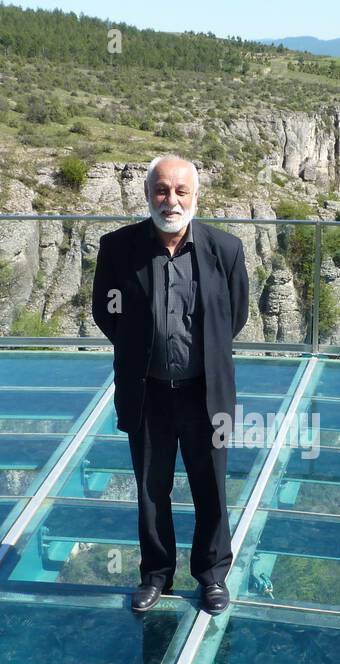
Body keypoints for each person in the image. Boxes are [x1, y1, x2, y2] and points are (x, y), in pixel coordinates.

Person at [91, 155, 249, 615]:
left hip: (206, 393)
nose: (171, 200)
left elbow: (232, 317)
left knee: (211, 487)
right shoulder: (119, 249)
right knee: (151, 489)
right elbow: (108, 313)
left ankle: (212, 576)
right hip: (148, 393)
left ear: (195, 196)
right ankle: (156, 575)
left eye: (181, 191)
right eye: (162, 190)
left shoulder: (226, 249)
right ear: (147, 195)